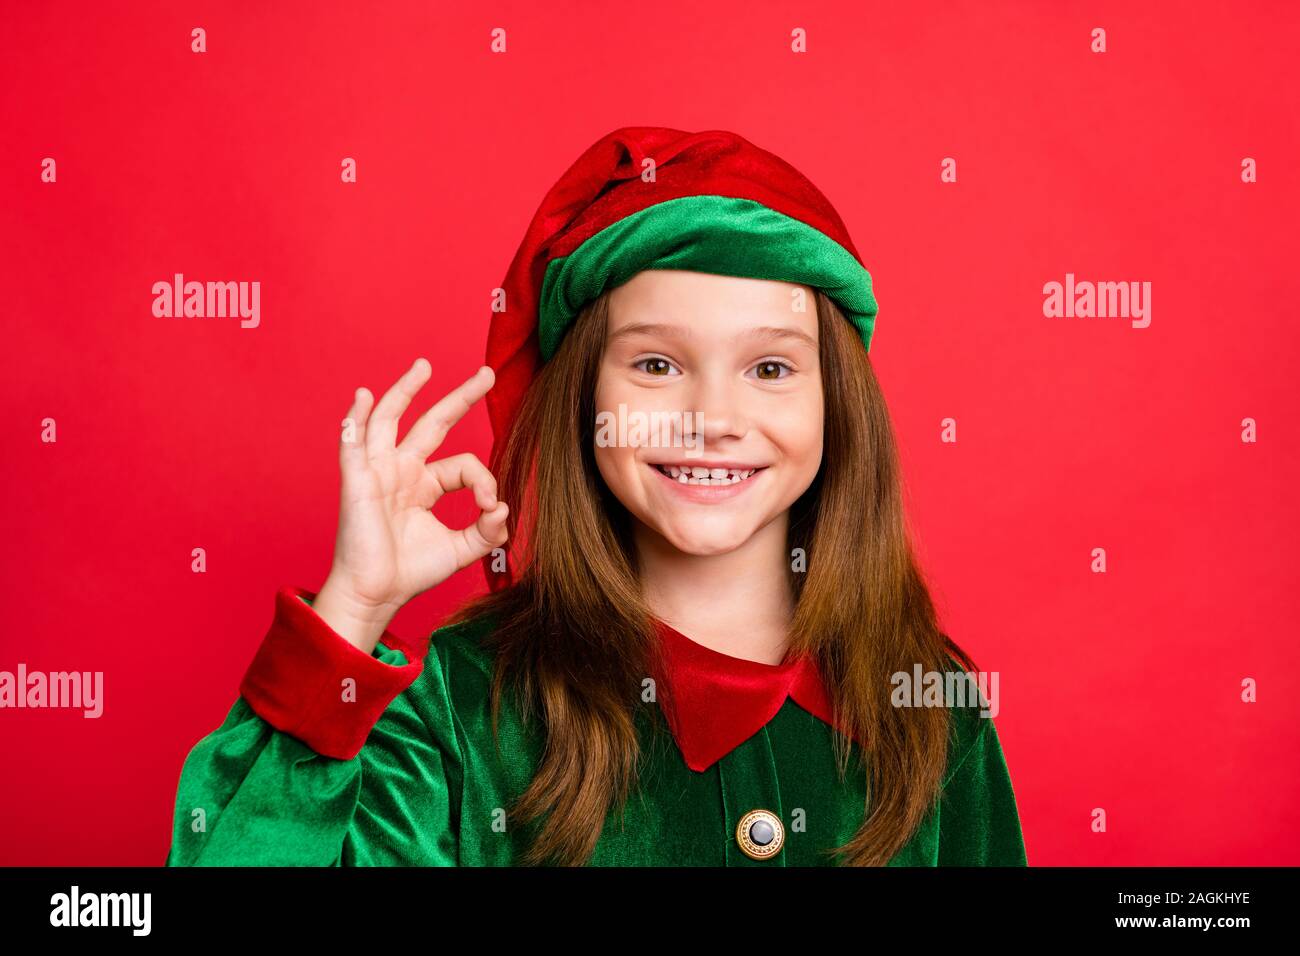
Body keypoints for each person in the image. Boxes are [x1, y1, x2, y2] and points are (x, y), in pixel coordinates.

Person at [165, 126, 1028, 866]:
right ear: (583, 397)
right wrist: (351, 614)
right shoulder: (466, 709)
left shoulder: (930, 704)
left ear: (837, 405)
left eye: (770, 368)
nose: (712, 419)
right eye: (656, 364)